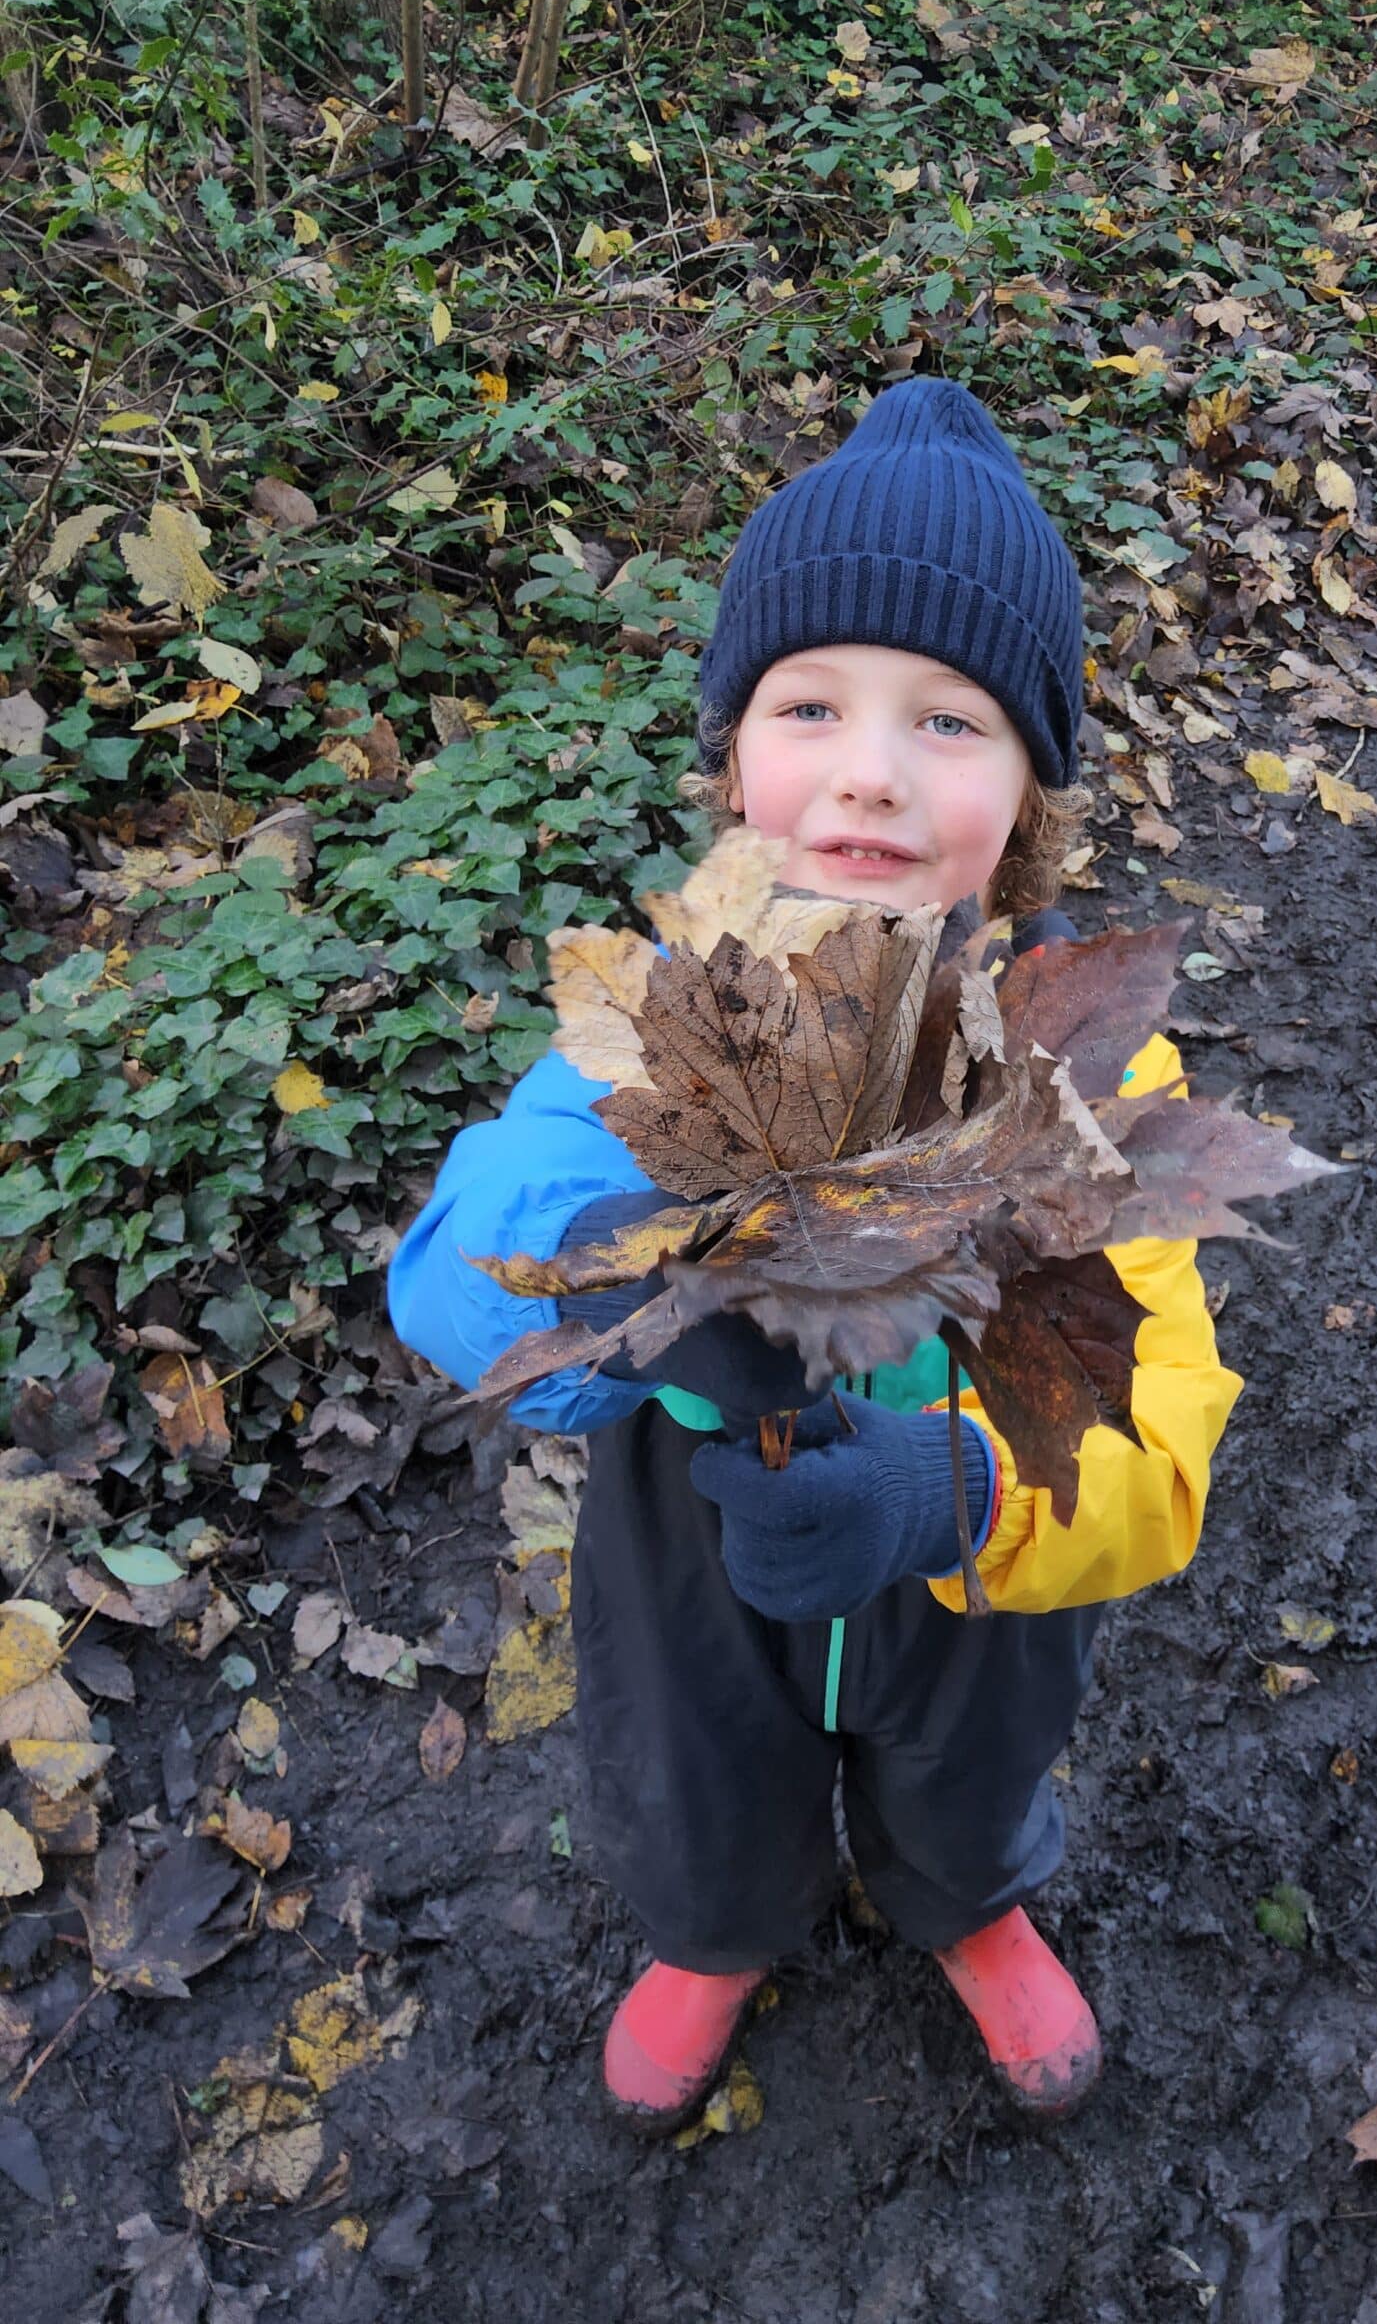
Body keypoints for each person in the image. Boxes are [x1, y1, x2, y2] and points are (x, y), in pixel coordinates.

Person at [387, 379, 1243, 2133]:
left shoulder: (1089, 1083)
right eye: (812, 706)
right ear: (734, 760)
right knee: (697, 1771)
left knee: (971, 1765)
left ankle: (967, 1897)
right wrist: (616, 1277)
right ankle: (719, 1926)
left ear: (1031, 793)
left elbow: (1163, 1440)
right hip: (696, 1557)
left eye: (950, 720)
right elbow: (452, 1265)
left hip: (976, 1568)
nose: (870, 766)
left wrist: (962, 1496)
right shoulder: (659, 1028)